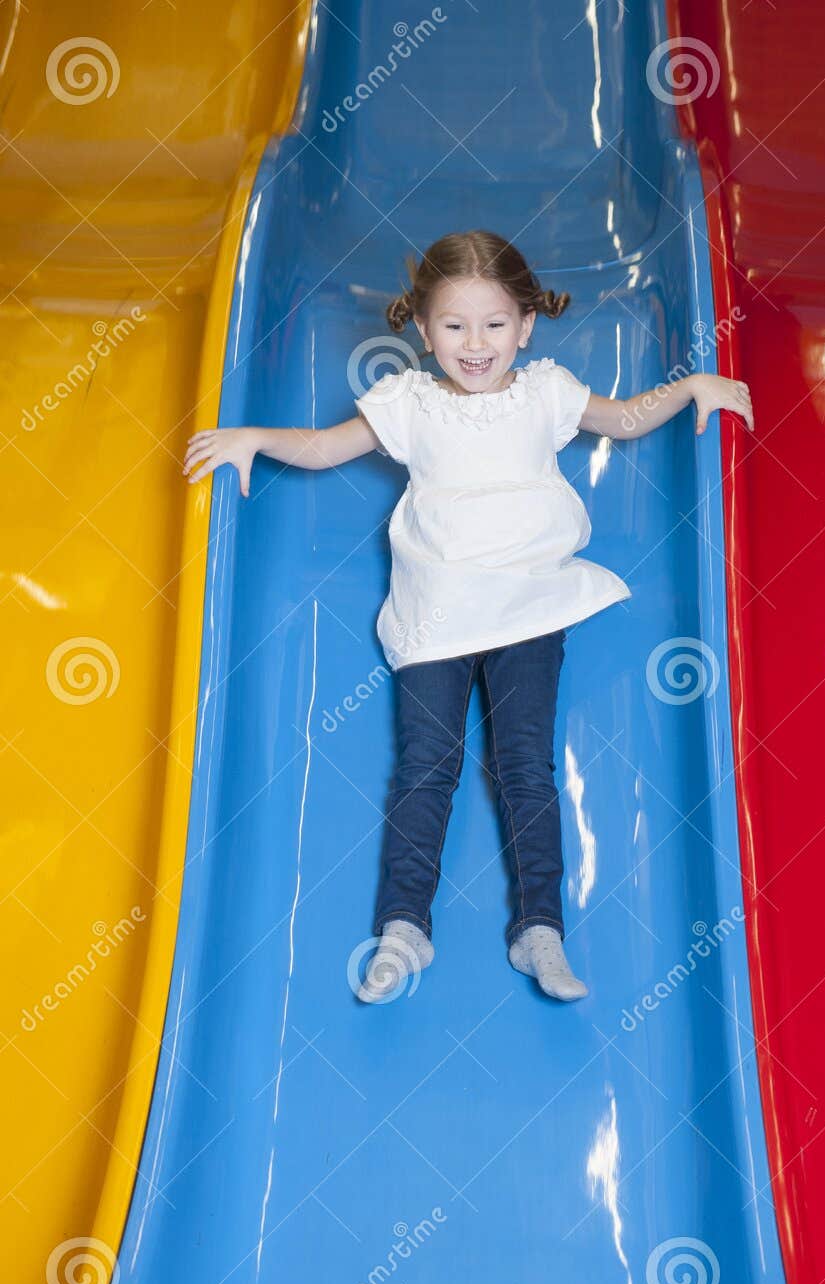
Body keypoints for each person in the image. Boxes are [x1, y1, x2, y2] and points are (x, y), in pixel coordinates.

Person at [183, 231, 753, 1005]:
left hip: (526, 610)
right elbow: (324, 448)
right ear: (422, 329)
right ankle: (402, 930)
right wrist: (254, 438)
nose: (475, 344)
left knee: (525, 770)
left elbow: (620, 420)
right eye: (453, 326)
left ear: (525, 325)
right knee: (426, 768)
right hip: (435, 619)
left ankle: (539, 930)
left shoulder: (544, 390)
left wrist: (690, 389)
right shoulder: (409, 402)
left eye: (493, 325)